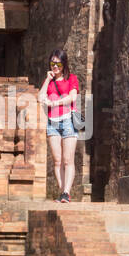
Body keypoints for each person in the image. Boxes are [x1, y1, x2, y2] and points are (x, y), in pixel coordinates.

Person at [40, 48, 80, 203]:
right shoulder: (49, 81)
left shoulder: (71, 78)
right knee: (57, 160)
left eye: (58, 64)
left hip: (68, 120)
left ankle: (66, 192)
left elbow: (72, 97)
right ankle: (62, 191)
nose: (55, 67)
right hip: (53, 123)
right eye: (52, 64)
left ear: (64, 64)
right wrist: (48, 80)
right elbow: (40, 97)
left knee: (67, 159)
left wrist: (55, 102)